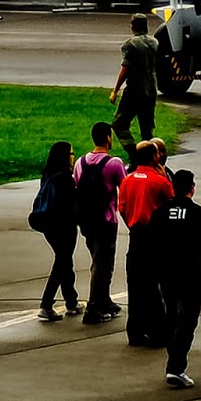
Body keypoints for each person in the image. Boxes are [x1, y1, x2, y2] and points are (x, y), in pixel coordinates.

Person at [153, 168, 201, 388]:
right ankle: (176, 366)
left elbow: (152, 242)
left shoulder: (160, 213)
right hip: (190, 273)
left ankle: (173, 358)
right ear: (192, 188)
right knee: (188, 320)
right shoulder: (200, 214)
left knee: (171, 315)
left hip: (166, 272)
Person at [118, 141, 173, 347]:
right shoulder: (159, 181)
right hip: (155, 236)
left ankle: (135, 331)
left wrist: (132, 225)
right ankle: (158, 331)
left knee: (135, 284)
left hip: (136, 235)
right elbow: (171, 205)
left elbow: (122, 208)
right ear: (154, 157)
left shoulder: (127, 180)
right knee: (154, 286)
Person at [72, 122, 126, 326]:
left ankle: (104, 300)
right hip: (106, 219)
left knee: (97, 260)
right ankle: (94, 308)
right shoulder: (114, 163)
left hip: (86, 220)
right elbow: (125, 189)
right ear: (108, 138)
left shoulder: (80, 162)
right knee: (103, 264)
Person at [33, 141, 82, 322]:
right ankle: (46, 304)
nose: (73, 157)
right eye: (71, 154)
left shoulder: (47, 174)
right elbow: (71, 204)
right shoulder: (65, 178)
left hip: (48, 224)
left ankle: (71, 300)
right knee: (62, 262)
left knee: (65, 261)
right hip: (64, 225)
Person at [110, 13, 158, 159]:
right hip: (151, 89)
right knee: (147, 128)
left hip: (135, 90)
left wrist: (115, 90)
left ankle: (134, 153)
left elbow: (125, 69)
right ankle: (149, 157)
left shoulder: (131, 44)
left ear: (132, 26)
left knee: (119, 124)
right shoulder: (155, 42)